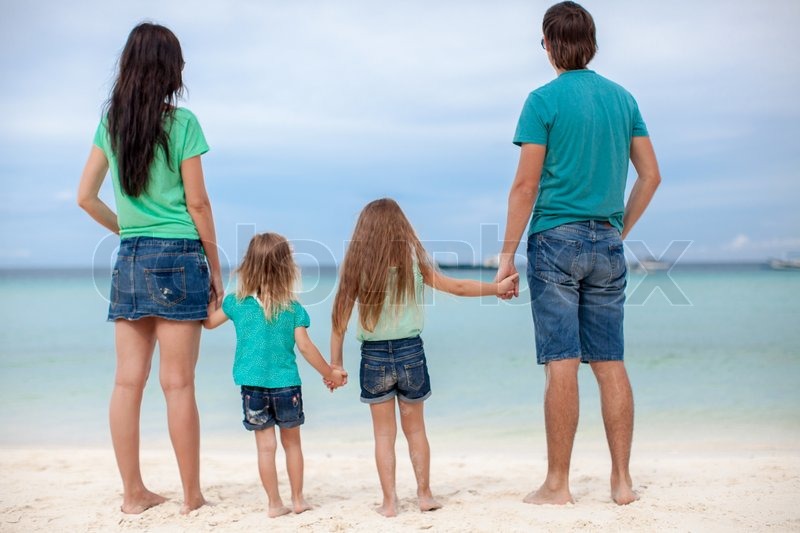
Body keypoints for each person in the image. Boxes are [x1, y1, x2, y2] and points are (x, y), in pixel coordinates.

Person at [495, 1, 661, 506]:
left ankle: (557, 485)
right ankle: (622, 483)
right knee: (610, 362)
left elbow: (525, 185)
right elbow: (651, 175)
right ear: (592, 43)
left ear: (547, 44)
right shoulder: (622, 98)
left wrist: (504, 258)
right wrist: (617, 228)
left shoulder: (542, 101)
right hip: (607, 243)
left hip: (555, 240)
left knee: (561, 363)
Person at [77, 23, 222, 514]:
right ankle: (191, 496)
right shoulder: (183, 124)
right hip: (180, 254)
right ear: (169, 68)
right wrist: (217, 270)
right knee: (178, 383)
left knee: (126, 381)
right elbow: (198, 204)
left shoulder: (112, 123)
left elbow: (85, 197)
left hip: (131, 257)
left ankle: (133, 494)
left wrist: (128, 231)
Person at [329, 198, 519, 517]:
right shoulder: (412, 266)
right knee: (416, 430)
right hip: (410, 353)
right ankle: (425, 495)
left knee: (383, 435)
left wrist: (336, 366)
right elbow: (456, 286)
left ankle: (390, 503)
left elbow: (339, 322)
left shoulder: (356, 269)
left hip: (373, 357)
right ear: (402, 230)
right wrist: (496, 287)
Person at [204, 232, 347, 517]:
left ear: (249, 265)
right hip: (286, 387)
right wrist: (329, 372)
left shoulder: (236, 303)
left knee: (265, 448)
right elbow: (306, 348)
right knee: (292, 444)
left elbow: (208, 323)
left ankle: (273, 504)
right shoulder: (292, 308)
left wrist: (211, 294)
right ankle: (297, 500)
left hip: (252, 387)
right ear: (287, 268)